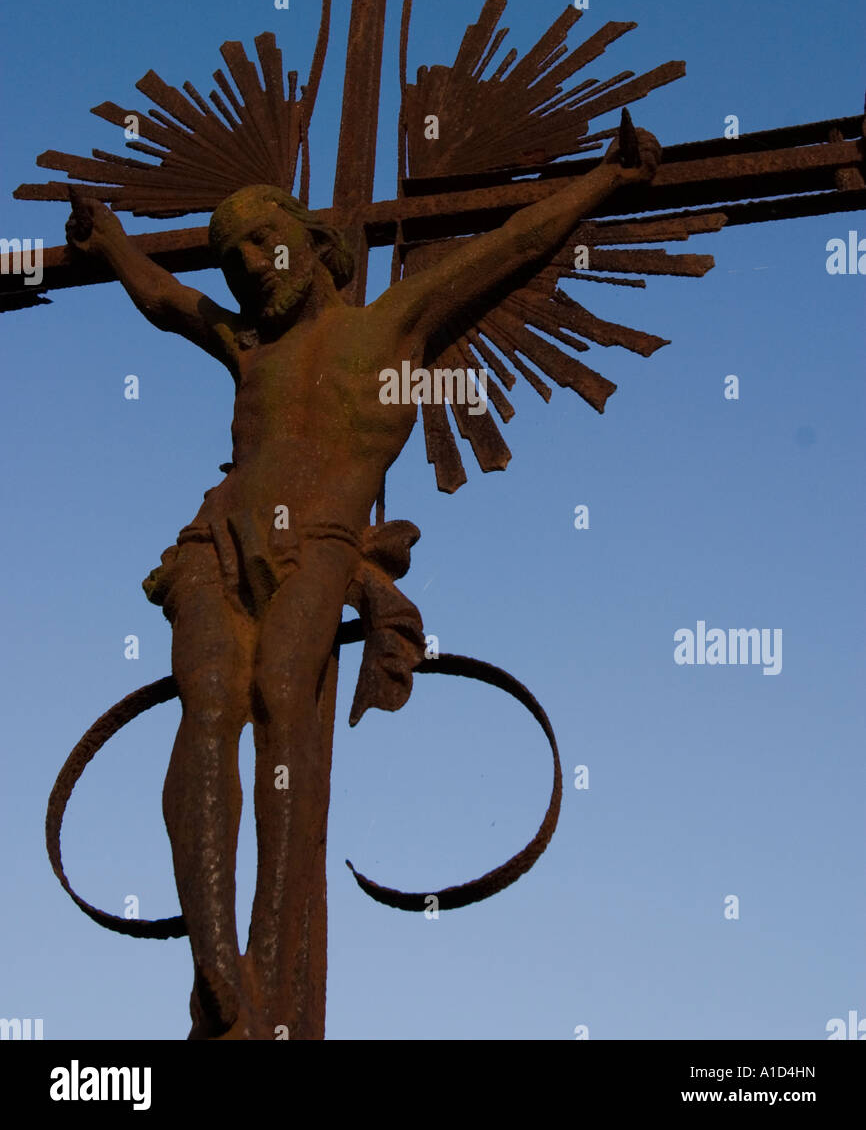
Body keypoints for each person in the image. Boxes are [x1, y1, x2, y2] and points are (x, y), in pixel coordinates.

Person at [65, 123, 660, 1039]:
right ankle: (217, 967)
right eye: (236, 262)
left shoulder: (391, 325)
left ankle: (268, 947)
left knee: (278, 700)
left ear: (314, 243)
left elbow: (513, 247)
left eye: (269, 243)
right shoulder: (246, 348)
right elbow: (162, 299)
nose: (255, 268)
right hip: (217, 540)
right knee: (209, 707)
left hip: (322, 546)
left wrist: (610, 177)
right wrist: (107, 240)